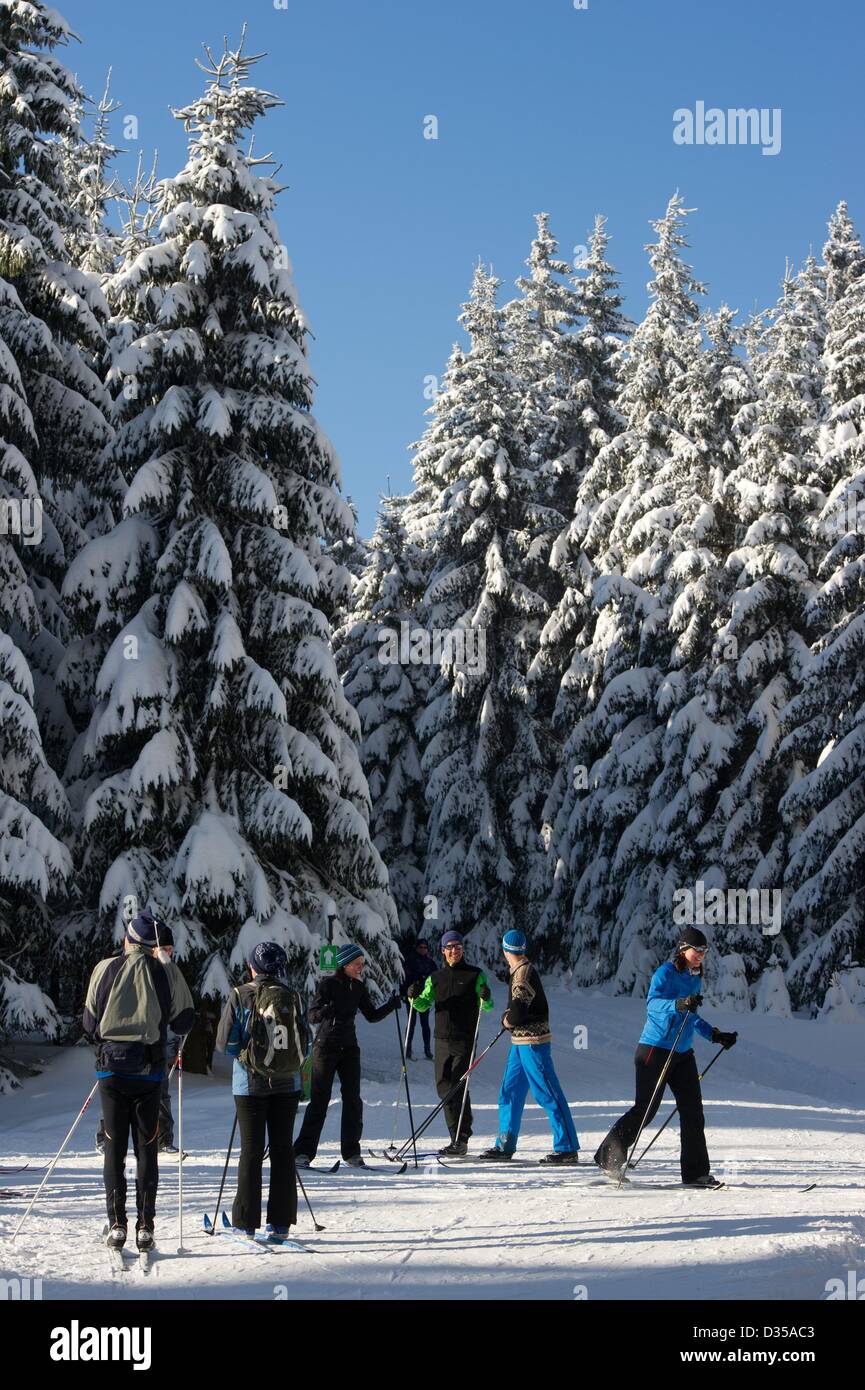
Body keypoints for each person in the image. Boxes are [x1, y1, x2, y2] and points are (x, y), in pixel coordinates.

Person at [82, 909, 194, 1252]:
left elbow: (89, 1024)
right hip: (149, 1072)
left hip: (111, 1071)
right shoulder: (165, 971)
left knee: (114, 1147)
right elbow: (184, 1021)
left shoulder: (105, 968)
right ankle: (146, 1226)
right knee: (147, 1148)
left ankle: (117, 1224)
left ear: (129, 941)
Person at [593, 926, 738, 1187]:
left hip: (682, 1053)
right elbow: (653, 1004)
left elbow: (690, 1017)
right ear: (684, 949)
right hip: (655, 1050)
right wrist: (677, 1004)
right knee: (645, 1110)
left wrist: (715, 1035)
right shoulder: (666, 973)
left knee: (693, 1111)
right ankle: (608, 1157)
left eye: (705, 951)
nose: (702, 955)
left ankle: (695, 1173)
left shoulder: (695, 978)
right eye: (698, 950)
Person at [215, 941, 308, 1240]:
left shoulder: (241, 994)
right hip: (288, 1082)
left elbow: (225, 1043)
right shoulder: (292, 996)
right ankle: (280, 1224)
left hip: (250, 1084)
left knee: (251, 1151)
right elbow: (304, 1038)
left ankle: (246, 1223)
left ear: (252, 967)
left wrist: (244, 1052)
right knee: (283, 1150)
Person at [293, 944, 401, 1169]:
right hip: (325, 1047)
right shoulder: (328, 984)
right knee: (320, 1100)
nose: (361, 968)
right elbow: (311, 1015)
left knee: (353, 1100)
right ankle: (302, 1152)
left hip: (349, 1048)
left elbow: (371, 1016)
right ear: (344, 964)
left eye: (362, 964)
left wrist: (392, 1005)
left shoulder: (358, 987)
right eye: (357, 964)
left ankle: (352, 1152)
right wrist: (325, 1011)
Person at [478, 929, 579, 1164]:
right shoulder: (520, 970)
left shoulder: (523, 973)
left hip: (533, 1043)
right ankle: (504, 1145)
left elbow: (517, 1011)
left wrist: (506, 1020)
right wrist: (510, 1018)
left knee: (547, 1092)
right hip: (520, 1042)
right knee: (509, 1091)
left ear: (505, 951)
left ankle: (566, 1147)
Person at [95, 926, 182, 1155]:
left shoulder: (165, 971)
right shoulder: (138, 969)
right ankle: (106, 1136)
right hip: (127, 1046)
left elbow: (178, 1010)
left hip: (156, 1045)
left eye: (170, 949)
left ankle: (163, 1137)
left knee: (161, 1090)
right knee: (118, 1091)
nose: (167, 953)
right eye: (162, 948)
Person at [407, 930, 494, 1157]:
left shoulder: (476, 975)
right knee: (444, 1088)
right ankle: (457, 1136)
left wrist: (485, 995)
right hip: (441, 1039)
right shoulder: (435, 978)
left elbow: (488, 1006)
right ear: (443, 951)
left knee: (458, 1085)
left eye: (457, 946)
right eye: (449, 947)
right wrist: (412, 996)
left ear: (462, 949)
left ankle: (460, 1138)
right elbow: (422, 1004)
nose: (454, 951)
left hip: (465, 1039)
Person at [401, 937, 435, 1060]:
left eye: (425, 947)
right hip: (411, 997)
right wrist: (404, 993)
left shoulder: (430, 963)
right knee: (412, 1023)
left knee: (425, 1024)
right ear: (416, 947)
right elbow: (403, 978)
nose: (423, 949)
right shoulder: (410, 960)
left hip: (424, 997)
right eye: (421, 947)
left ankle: (427, 1049)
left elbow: (435, 978)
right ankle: (407, 1048)